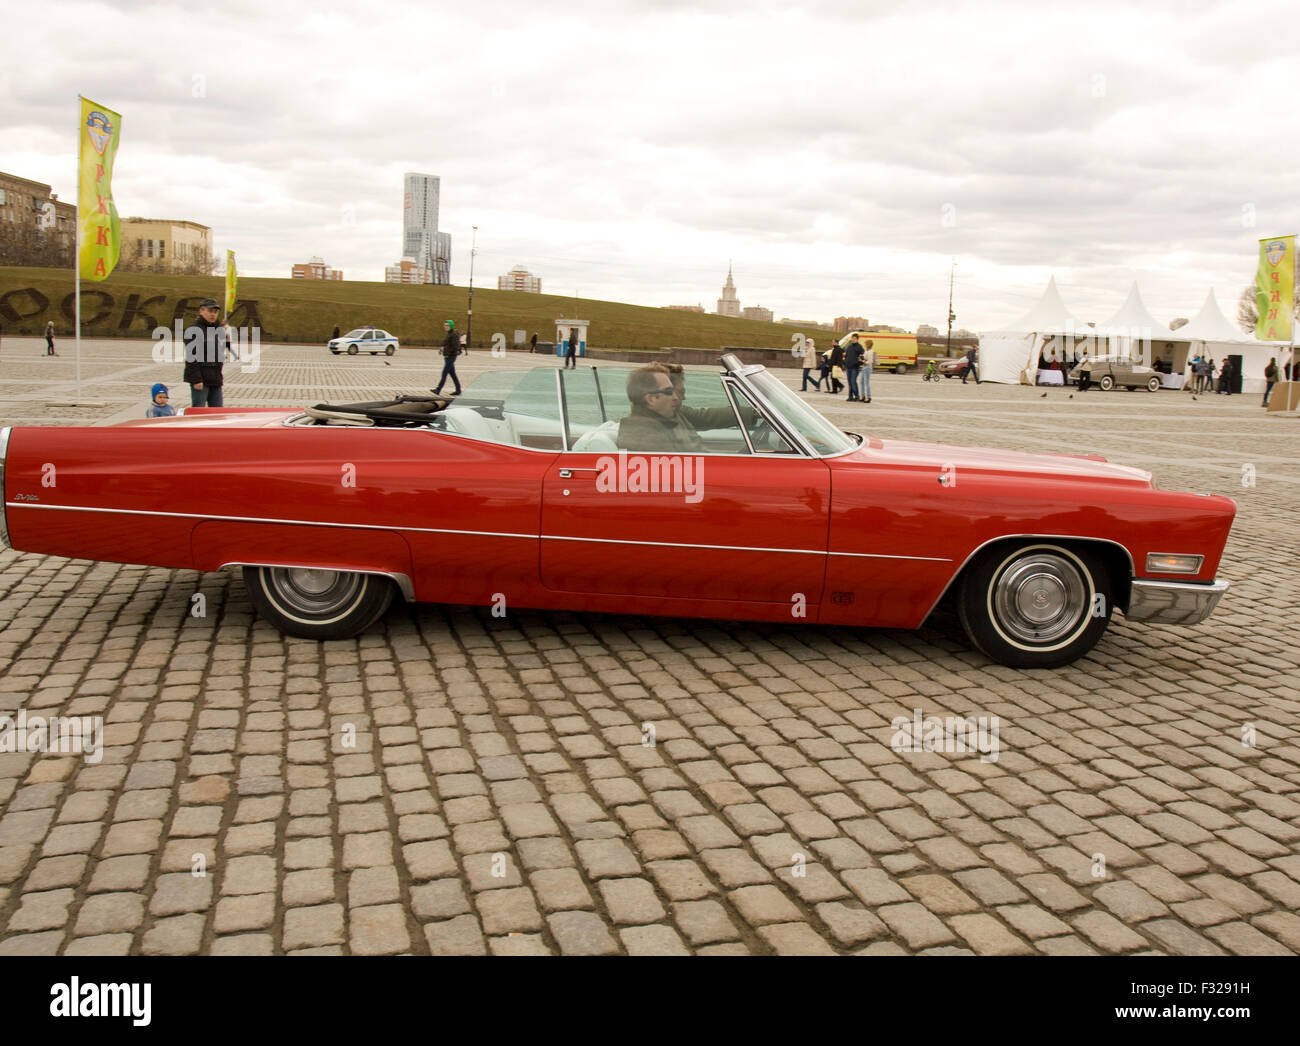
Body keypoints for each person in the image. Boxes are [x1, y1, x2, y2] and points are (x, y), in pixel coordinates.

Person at [616, 364, 703, 452]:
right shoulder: (649, 438)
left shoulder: (653, 427)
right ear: (651, 399)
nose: (675, 397)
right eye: (669, 391)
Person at [183, 298, 228, 407]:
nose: (213, 314)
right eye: (210, 311)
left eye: (215, 312)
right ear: (201, 311)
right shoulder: (194, 330)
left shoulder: (216, 329)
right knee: (198, 413)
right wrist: (197, 380)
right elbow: (191, 357)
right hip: (201, 380)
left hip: (215, 379)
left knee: (217, 413)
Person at [435, 319, 462, 395]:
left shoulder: (454, 334)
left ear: (451, 326)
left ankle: (438, 389)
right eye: (445, 325)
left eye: (447, 325)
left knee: (444, 373)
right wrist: (442, 348)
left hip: (451, 356)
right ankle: (458, 390)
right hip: (448, 356)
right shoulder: (450, 333)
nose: (445, 327)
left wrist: (449, 352)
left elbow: (455, 346)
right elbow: (447, 344)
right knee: (453, 374)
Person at [844, 333, 864, 401]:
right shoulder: (849, 346)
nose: (853, 339)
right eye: (852, 338)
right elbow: (846, 355)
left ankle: (857, 396)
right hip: (848, 367)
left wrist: (858, 362)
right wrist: (845, 362)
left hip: (855, 367)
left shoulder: (859, 347)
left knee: (853, 381)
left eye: (854, 338)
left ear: (857, 339)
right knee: (849, 382)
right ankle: (850, 396)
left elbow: (862, 357)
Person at [861, 338, 875, 403]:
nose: (864, 345)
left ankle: (868, 397)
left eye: (865, 344)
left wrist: (863, 361)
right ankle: (863, 396)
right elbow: (864, 357)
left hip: (867, 367)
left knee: (866, 382)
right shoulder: (867, 351)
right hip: (864, 367)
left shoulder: (870, 352)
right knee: (862, 382)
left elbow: (870, 361)